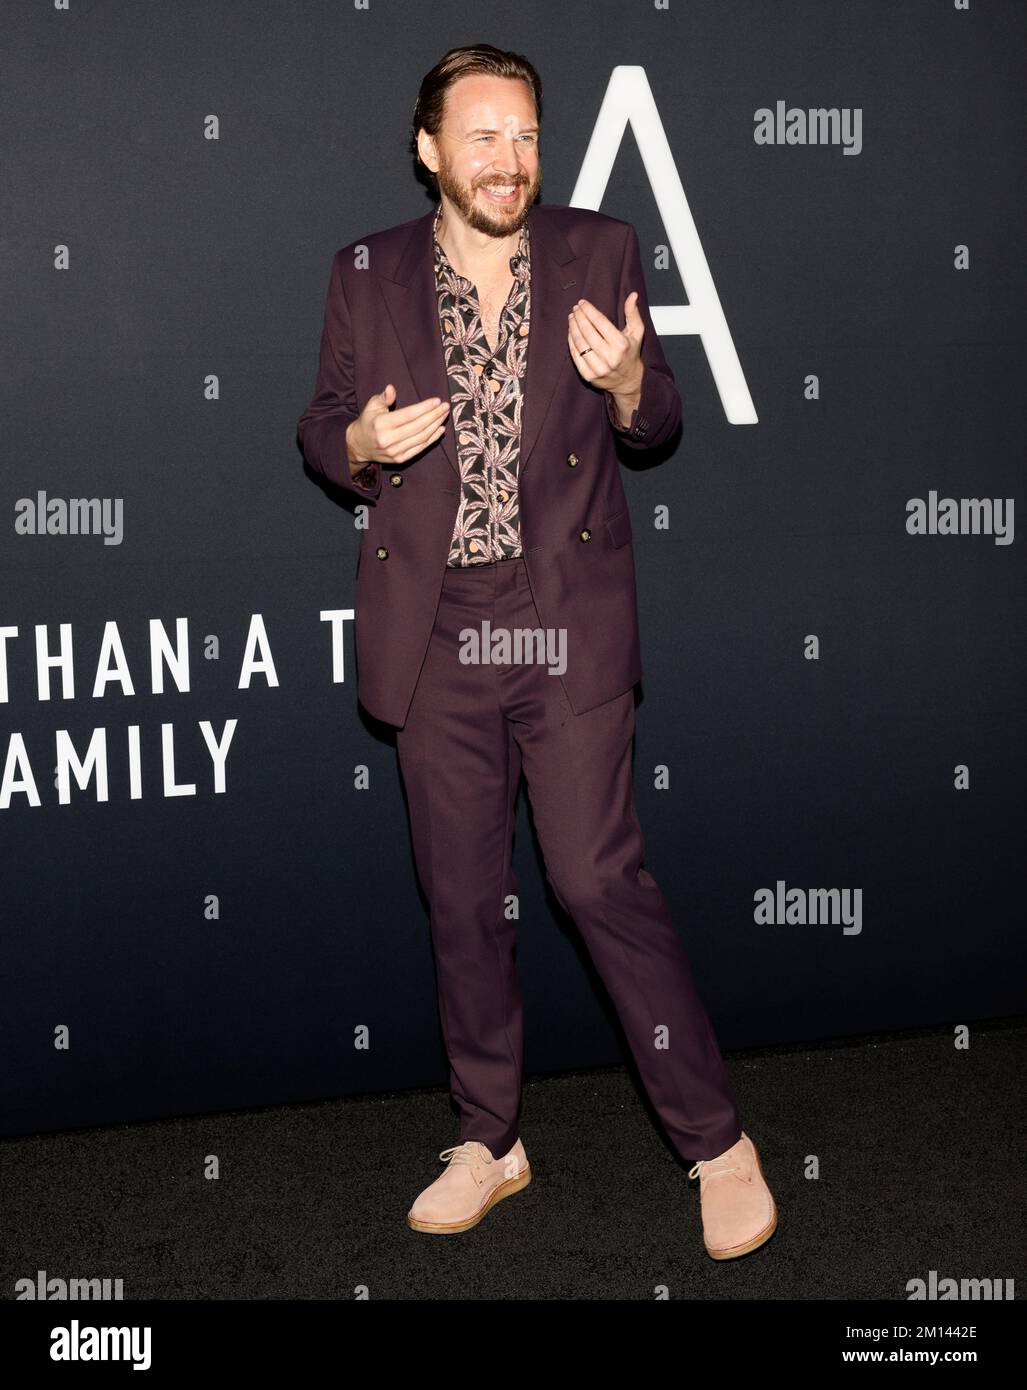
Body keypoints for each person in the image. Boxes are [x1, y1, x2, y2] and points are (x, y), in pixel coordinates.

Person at [297, 42, 777, 1260]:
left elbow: (658, 411)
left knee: (594, 878)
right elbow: (320, 423)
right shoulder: (366, 270)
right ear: (429, 151)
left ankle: (718, 1143)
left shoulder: (601, 249)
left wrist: (625, 387)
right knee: (461, 899)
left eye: (525, 135)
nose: (510, 160)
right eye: (482, 137)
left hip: (562, 616)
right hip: (435, 630)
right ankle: (490, 1138)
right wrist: (355, 438)